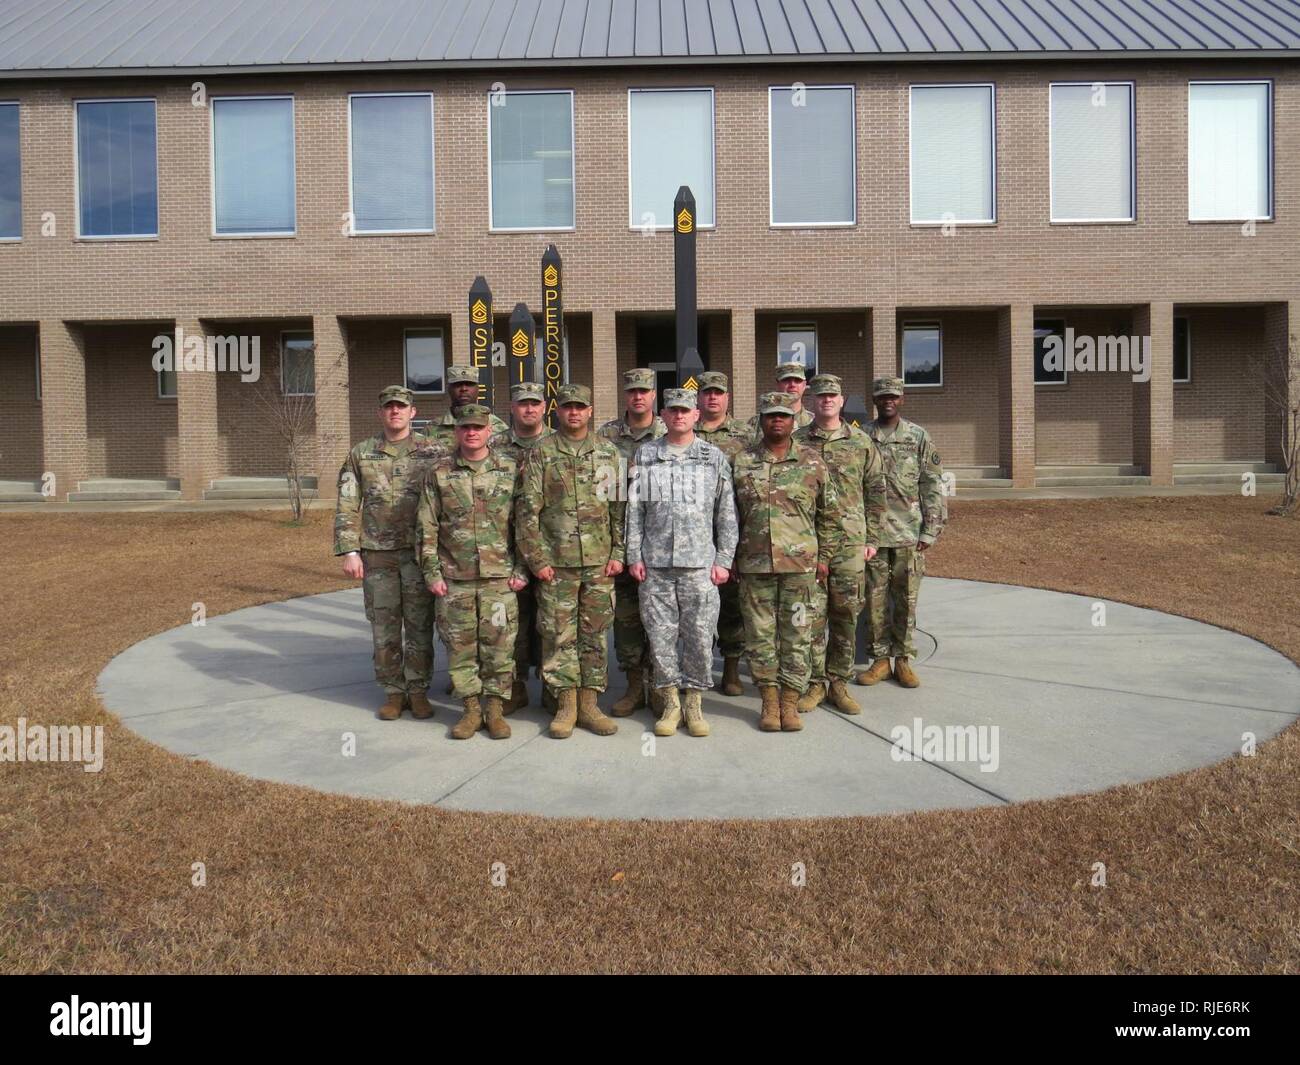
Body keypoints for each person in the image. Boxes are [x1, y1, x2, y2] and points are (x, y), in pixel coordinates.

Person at [626, 388, 738, 738]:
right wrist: (633, 555)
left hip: (700, 566)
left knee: (700, 637)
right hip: (656, 565)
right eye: (672, 410)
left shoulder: (713, 457)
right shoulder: (646, 455)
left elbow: (726, 513)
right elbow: (634, 510)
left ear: (695, 416)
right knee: (660, 637)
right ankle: (671, 701)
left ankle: (694, 700)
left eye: (685, 411)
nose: (678, 416)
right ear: (663, 414)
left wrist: (724, 559)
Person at [516, 384, 625, 739]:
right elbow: (527, 511)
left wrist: (619, 554)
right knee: (558, 635)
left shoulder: (608, 453)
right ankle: (565, 705)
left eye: (580, 407)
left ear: (590, 410)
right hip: (556, 564)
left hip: (598, 564)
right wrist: (537, 560)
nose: (573, 413)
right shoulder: (542, 453)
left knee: (594, 635)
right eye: (567, 407)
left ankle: (590, 703)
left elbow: (619, 510)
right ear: (557, 412)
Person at [417, 404, 529, 740]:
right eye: (465, 427)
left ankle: (494, 710)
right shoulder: (439, 472)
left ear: (489, 431)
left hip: (499, 578)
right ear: (456, 431)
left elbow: (523, 523)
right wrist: (432, 573)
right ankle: (470, 710)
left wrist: (523, 568)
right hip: (456, 578)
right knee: (461, 648)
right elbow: (427, 526)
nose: (471, 433)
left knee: (499, 647)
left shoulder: (509, 469)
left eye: (477, 428)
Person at [333, 385, 442, 720]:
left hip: (418, 553)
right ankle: (394, 691)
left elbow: (447, 500)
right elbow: (348, 504)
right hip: (378, 553)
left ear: (413, 412)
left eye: (401, 407)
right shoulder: (361, 453)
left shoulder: (432, 451)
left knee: (420, 625)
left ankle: (419, 690)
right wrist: (350, 550)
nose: (395, 411)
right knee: (384, 627)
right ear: (381, 413)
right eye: (389, 407)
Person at [732, 391, 838, 733]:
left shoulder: (812, 462)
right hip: (754, 567)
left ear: (793, 421)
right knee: (760, 636)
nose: (777, 420)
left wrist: (825, 558)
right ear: (761, 420)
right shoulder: (743, 462)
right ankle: (769, 700)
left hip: (800, 569)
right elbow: (728, 515)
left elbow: (829, 515)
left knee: (796, 635)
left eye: (783, 415)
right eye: (770, 415)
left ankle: (790, 701)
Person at [794, 374, 886, 714]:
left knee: (846, 613)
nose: (826, 400)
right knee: (812, 617)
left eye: (832, 395)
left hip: (850, 543)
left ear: (842, 400)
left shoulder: (861, 442)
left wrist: (872, 538)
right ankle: (815, 682)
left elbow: (876, 490)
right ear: (811, 401)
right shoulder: (798, 441)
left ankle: (839, 682)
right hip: (810, 543)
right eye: (820, 396)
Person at [856, 376, 947, 689]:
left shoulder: (917, 436)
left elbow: (932, 483)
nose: (888, 401)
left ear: (901, 399)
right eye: (882, 397)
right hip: (872, 535)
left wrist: (930, 529)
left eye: (893, 396)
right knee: (874, 599)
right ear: (875, 400)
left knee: (906, 598)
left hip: (909, 533)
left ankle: (904, 658)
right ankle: (880, 660)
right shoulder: (862, 436)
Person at [596, 368, 666, 717]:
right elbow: (600, 491)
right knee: (625, 618)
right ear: (625, 395)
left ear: (654, 395)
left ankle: (659, 684)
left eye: (644, 391)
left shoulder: (669, 432)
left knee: (657, 616)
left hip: (658, 542)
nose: (638, 396)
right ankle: (635, 683)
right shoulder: (607, 435)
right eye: (632, 391)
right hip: (618, 537)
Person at [490, 380, 553, 715]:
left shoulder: (557, 444)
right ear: (512, 408)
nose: (529, 409)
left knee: (550, 620)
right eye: (522, 403)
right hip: (505, 546)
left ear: (544, 407)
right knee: (510, 622)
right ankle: (513, 687)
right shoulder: (495, 445)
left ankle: (550, 686)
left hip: (550, 547)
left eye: (535, 403)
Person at [693, 370, 752, 696]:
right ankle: (698, 667)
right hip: (695, 535)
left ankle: (731, 669)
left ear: (727, 397)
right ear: (698, 398)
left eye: (718, 392)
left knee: (731, 603)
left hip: (731, 530)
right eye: (707, 392)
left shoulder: (744, 435)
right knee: (696, 606)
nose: (712, 397)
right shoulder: (686, 429)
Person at [429, 364, 508, 449]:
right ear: (449, 389)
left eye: (469, 384)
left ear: (478, 389)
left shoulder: (497, 426)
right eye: (458, 384)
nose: (464, 389)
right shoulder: (433, 428)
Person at [746, 362, 814, 437]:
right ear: (777, 384)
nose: (792, 385)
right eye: (786, 380)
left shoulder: (815, 422)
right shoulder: (757, 423)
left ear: (804, 385)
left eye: (797, 380)